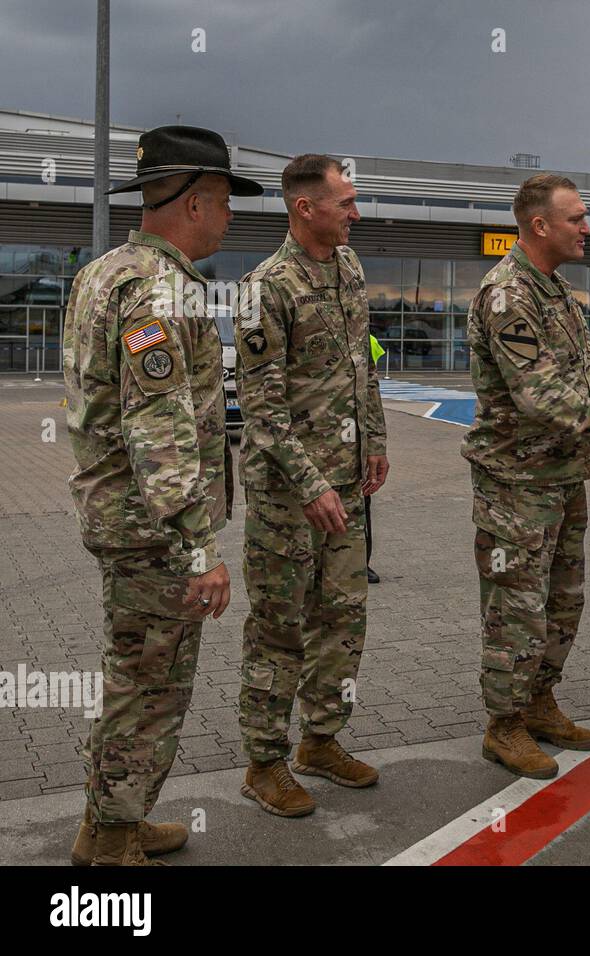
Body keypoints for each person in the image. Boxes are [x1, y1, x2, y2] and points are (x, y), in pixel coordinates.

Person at [64, 125, 262, 864]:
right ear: (198, 202)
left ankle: (112, 817)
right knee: (149, 687)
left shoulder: (103, 272)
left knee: (137, 676)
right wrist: (199, 549)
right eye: (225, 203)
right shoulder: (161, 288)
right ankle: (113, 845)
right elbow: (160, 430)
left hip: (124, 517)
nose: (230, 218)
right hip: (153, 531)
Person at [462, 173, 590, 779]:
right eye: (577, 219)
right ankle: (504, 725)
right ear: (540, 225)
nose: (587, 229)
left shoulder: (556, 291)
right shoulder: (507, 295)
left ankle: (540, 702)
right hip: (516, 483)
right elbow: (539, 394)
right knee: (516, 606)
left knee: (562, 600)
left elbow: (584, 365)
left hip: (562, 476)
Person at [235, 154, 389, 816]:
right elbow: (261, 410)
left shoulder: (349, 270)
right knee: (279, 627)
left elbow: (363, 366)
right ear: (306, 208)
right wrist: (311, 483)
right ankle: (264, 762)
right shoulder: (264, 287)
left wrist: (376, 444)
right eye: (346, 202)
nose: (357, 213)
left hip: (346, 484)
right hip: (287, 495)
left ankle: (320, 740)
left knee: (343, 616)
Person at [365, 333, 384, 584]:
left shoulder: (364, 335)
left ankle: (362, 561)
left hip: (354, 440)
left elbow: (371, 385)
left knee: (361, 504)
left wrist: (377, 442)